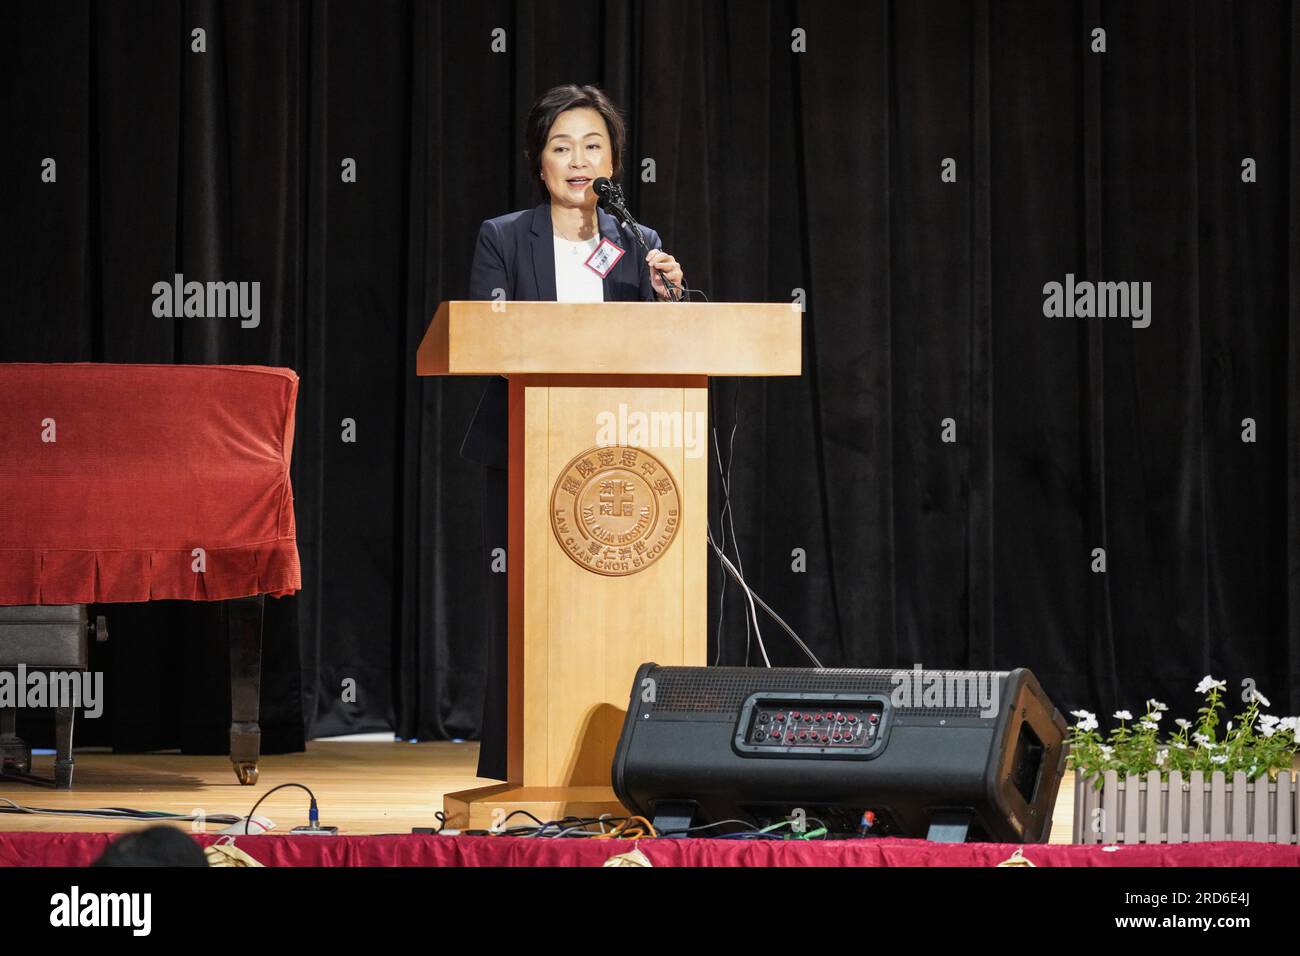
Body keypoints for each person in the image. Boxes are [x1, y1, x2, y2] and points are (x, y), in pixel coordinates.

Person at [461, 84, 685, 781]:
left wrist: (671, 300)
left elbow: (662, 354)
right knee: (527, 612)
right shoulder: (503, 237)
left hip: (623, 455)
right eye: (562, 147)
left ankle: (636, 758)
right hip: (528, 449)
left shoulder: (638, 243)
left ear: (614, 161)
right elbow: (488, 338)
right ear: (539, 162)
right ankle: (520, 759)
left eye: (593, 146)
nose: (578, 160)